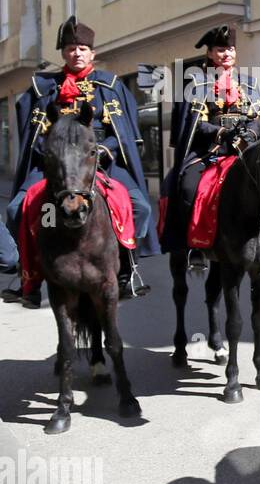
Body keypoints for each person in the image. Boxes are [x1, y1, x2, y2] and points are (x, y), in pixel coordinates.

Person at [3, 17, 158, 307]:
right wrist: (52, 155)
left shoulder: (109, 86)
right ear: (63, 52)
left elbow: (121, 135)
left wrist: (101, 150)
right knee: (16, 210)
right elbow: (34, 135)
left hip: (101, 162)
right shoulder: (43, 87)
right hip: (54, 166)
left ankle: (126, 271)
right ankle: (31, 275)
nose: (77, 53)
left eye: (83, 48)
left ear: (92, 53)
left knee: (140, 207)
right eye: (72, 47)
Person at [163, 24, 260, 270]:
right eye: (220, 50)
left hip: (245, 150)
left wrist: (249, 132)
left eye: (230, 49)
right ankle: (195, 247)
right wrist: (222, 132)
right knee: (187, 188)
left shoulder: (249, 84)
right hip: (209, 152)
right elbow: (194, 125)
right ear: (209, 53)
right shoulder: (195, 85)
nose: (226, 54)